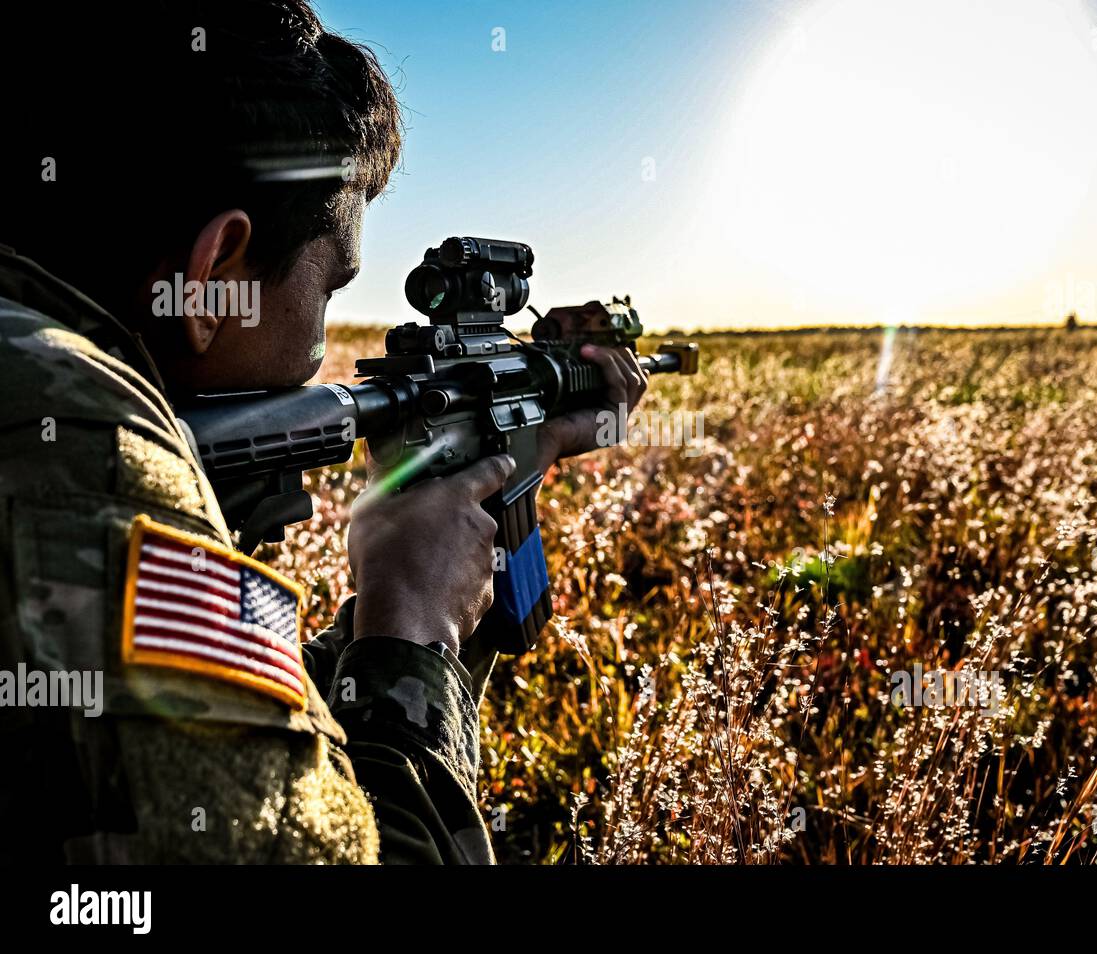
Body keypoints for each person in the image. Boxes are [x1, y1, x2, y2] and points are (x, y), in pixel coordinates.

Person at [0, 0, 647, 863]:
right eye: (332, 287)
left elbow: (209, 741)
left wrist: (533, 445)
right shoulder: (92, 454)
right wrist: (412, 628)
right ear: (211, 275)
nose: (316, 353)